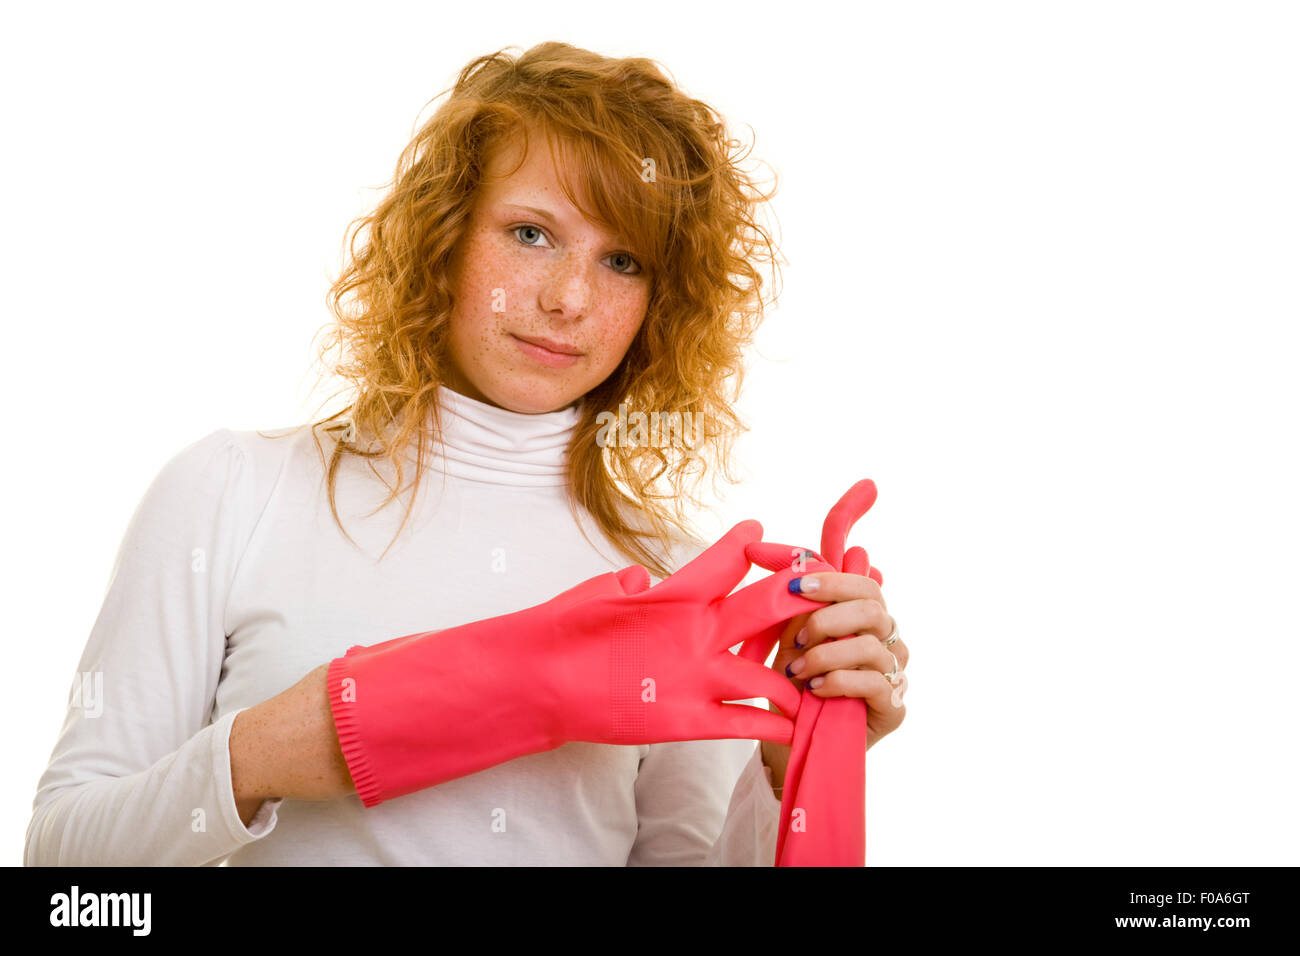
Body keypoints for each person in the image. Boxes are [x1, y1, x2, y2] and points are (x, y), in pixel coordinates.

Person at [25, 41, 907, 867]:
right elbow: (64, 868)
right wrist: (293, 743)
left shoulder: (669, 574)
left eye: (623, 261)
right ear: (441, 237)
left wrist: (793, 768)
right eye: (531, 233)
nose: (567, 297)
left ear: (660, 304)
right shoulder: (231, 491)